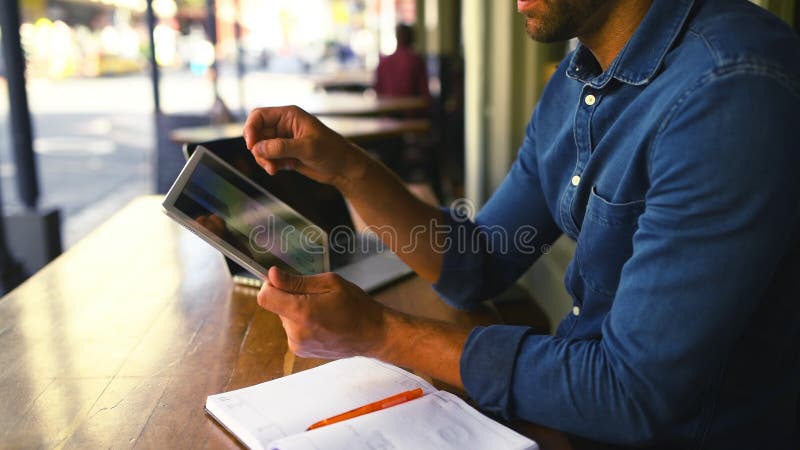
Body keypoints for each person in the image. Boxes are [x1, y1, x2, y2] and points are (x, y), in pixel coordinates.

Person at [242, 0, 800, 448]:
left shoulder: (731, 88)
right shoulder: (579, 79)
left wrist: (378, 333)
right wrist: (346, 168)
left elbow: (633, 394)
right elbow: (474, 265)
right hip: (575, 419)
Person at [374, 24, 430, 99]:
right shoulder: (415, 61)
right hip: (410, 108)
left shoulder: (384, 63)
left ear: (397, 37)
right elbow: (424, 93)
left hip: (387, 109)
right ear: (412, 38)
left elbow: (378, 91)